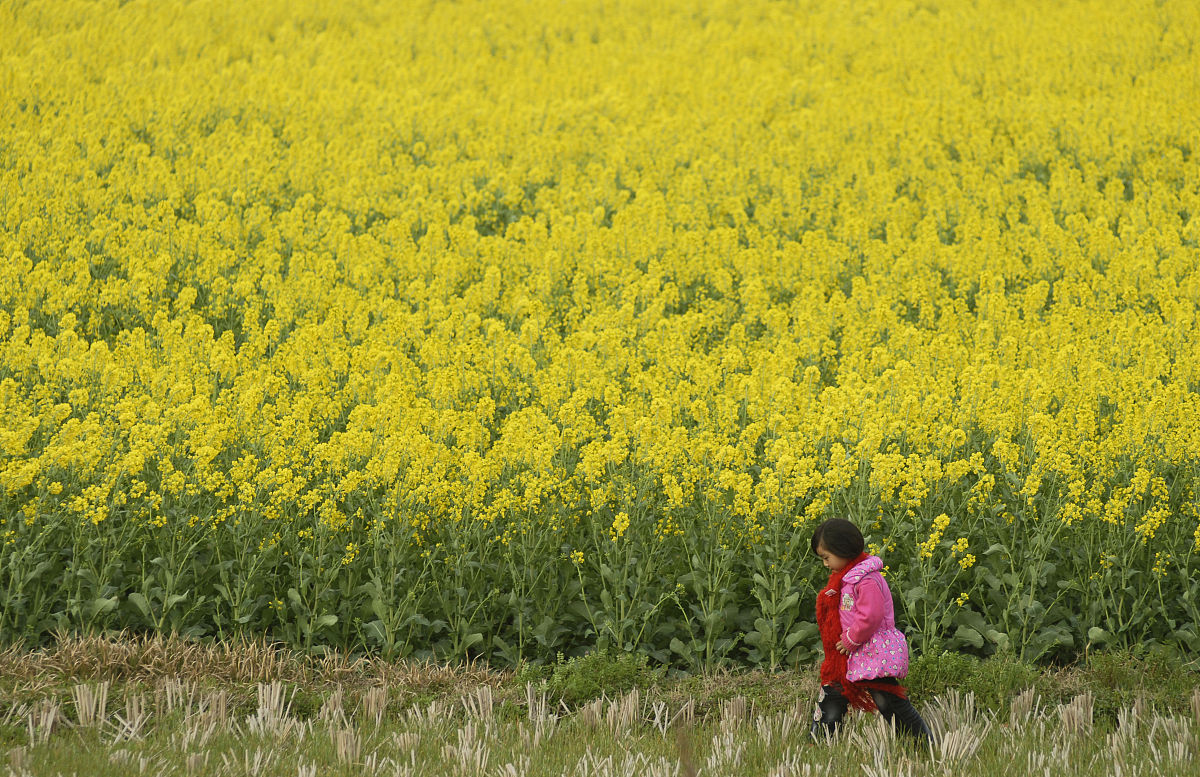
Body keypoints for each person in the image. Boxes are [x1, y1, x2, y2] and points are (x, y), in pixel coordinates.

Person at [809, 518, 932, 744]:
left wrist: (850, 639)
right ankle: (820, 742)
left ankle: (921, 741)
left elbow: (871, 616)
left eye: (826, 557)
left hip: (874, 651)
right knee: (834, 692)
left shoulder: (865, 580)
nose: (825, 564)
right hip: (849, 654)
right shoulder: (845, 579)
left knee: (887, 700)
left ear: (843, 550)